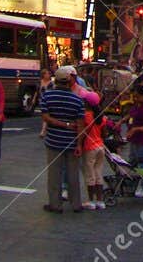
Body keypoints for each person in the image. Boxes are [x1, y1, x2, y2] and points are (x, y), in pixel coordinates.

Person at [40, 66, 86, 213]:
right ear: (68, 82)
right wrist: (79, 144)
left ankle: (55, 204)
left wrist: (61, 124)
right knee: (73, 174)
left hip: (53, 141)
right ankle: (76, 204)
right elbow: (80, 125)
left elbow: (46, 117)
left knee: (54, 174)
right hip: (72, 142)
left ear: (56, 81)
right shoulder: (77, 100)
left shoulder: (47, 96)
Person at [78, 85, 108, 210]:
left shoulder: (86, 116)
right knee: (98, 173)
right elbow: (104, 133)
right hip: (100, 146)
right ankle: (100, 201)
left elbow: (80, 131)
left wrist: (78, 144)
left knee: (90, 175)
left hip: (89, 147)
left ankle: (91, 201)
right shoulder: (101, 117)